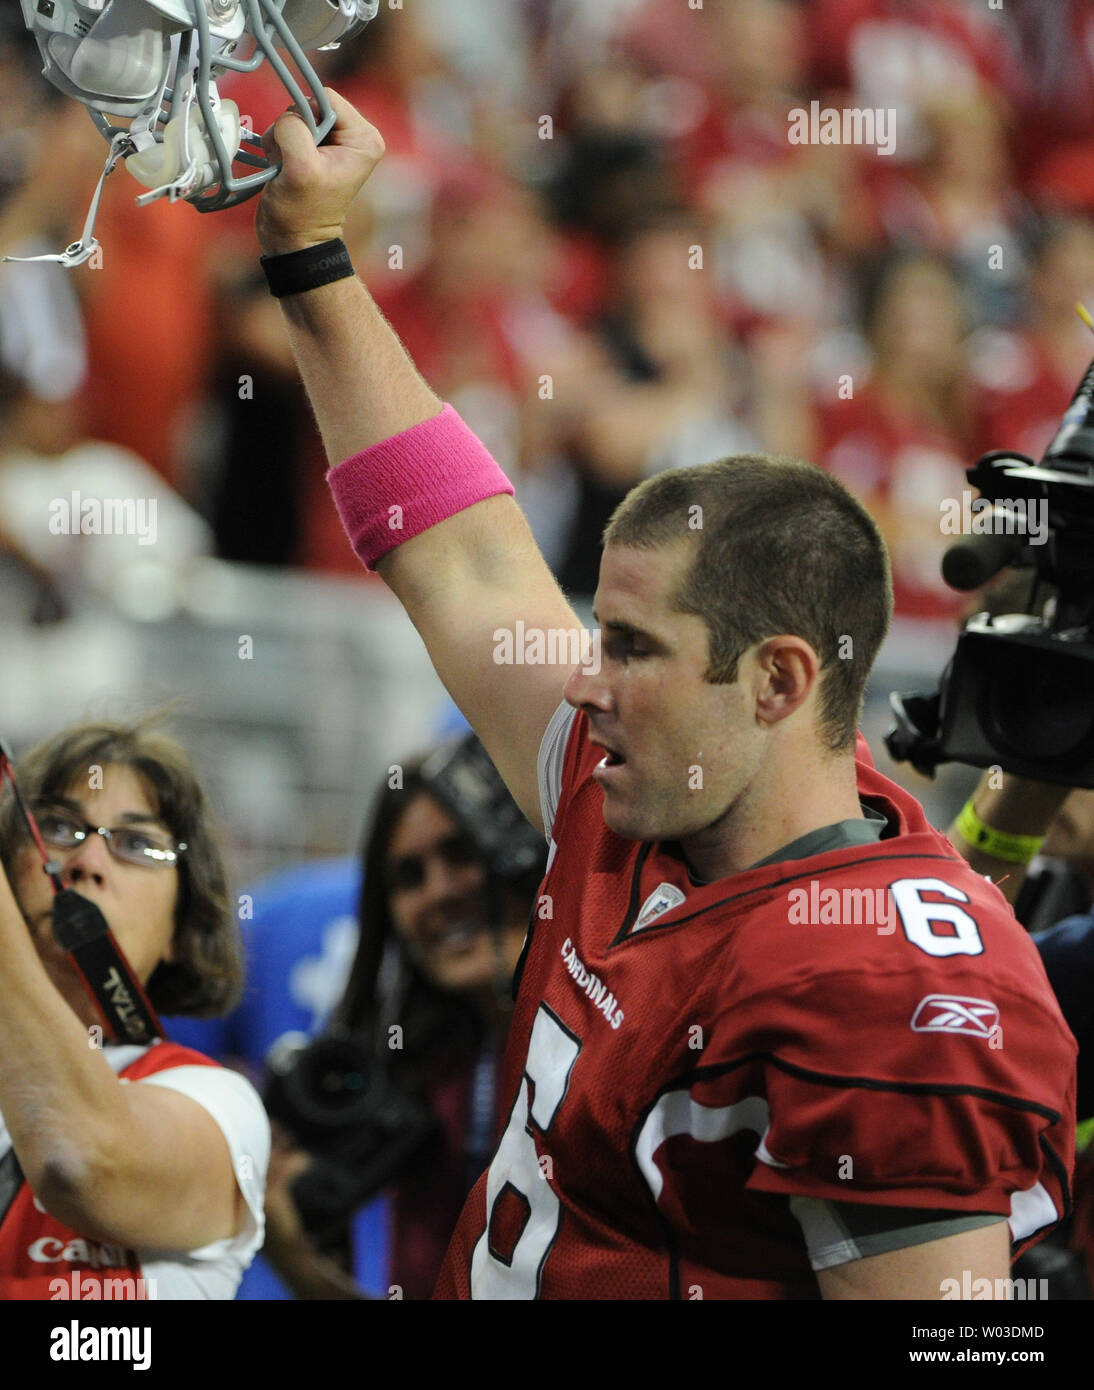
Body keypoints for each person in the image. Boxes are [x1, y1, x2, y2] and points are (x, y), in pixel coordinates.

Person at [252, 90, 1076, 1299]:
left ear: (777, 679)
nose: (583, 677)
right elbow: (467, 561)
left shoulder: (888, 985)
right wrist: (312, 257)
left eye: (631, 646)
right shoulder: (635, 788)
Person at [261, 736, 544, 1300]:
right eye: (409, 877)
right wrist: (295, 1257)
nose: (439, 892)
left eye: (461, 854)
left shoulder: (608, 1040)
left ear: (524, 852)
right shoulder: (434, 1083)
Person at [0, 718, 270, 1299]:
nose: (87, 861)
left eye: (137, 844)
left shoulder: (217, 1103)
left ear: (180, 927)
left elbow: (81, 1161)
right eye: (57, 827)